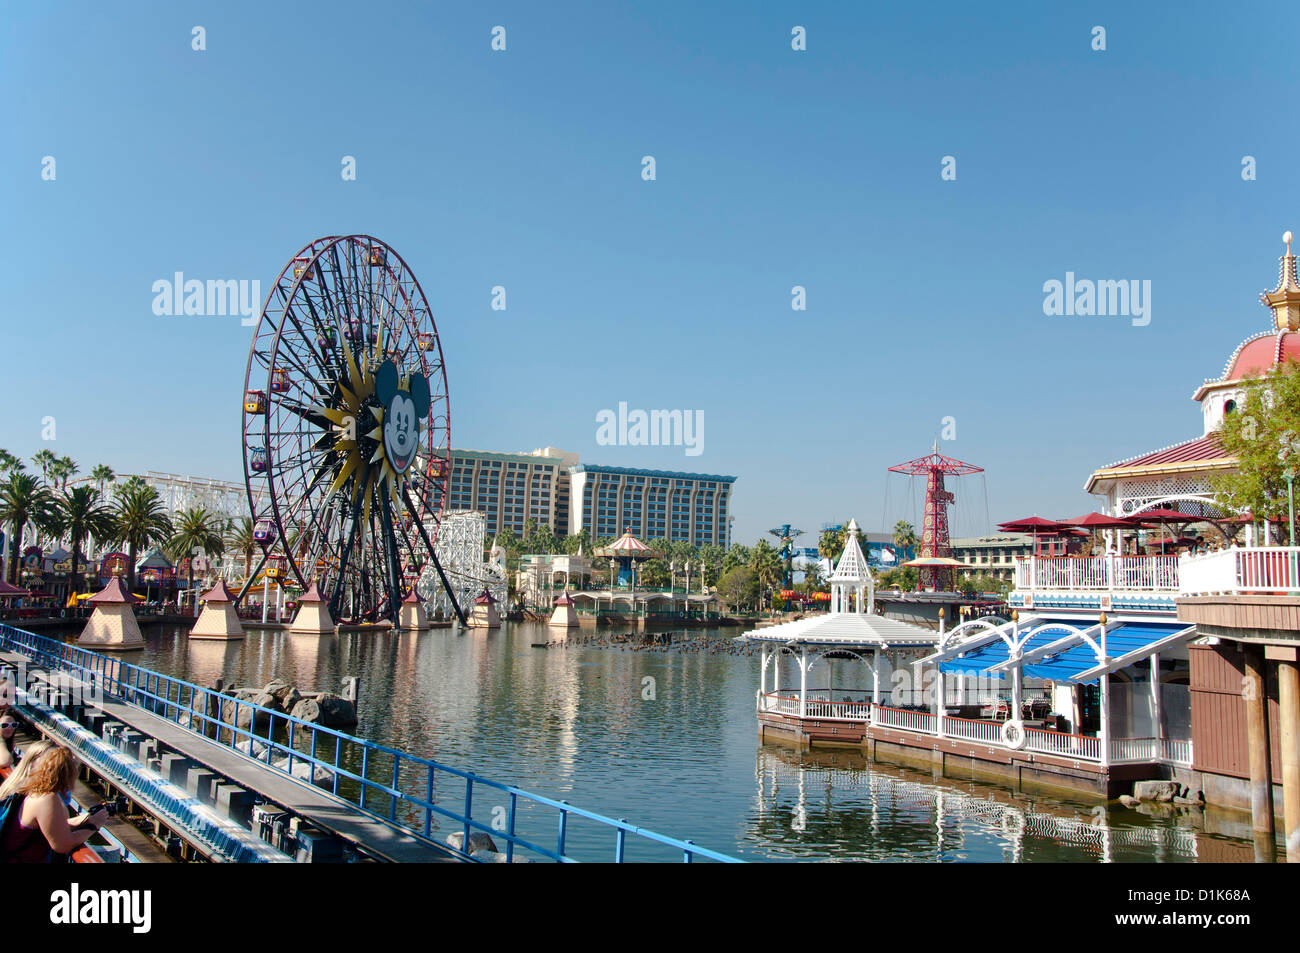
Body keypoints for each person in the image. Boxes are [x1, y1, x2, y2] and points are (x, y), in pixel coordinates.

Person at [0, 744, 105, 862]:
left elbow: (46, 828)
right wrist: (94, 825)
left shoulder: (31, 793)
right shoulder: (46, 798)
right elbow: (62, 845)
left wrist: (80, 821)